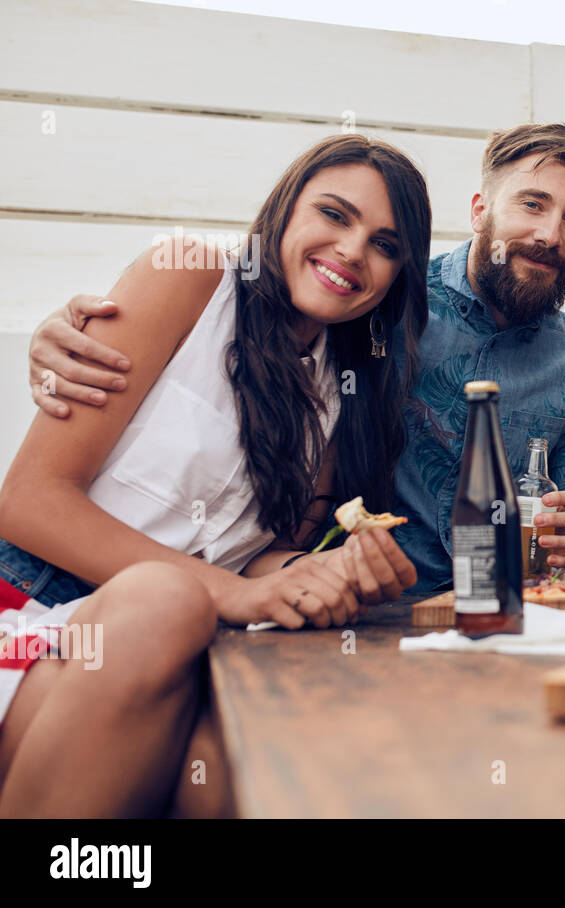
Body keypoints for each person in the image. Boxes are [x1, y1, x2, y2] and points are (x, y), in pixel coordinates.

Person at [0, 133, 430, 815]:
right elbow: (27, 501)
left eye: (385, 245)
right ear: (285, 211)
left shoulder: (345, 392)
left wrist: (322, 575)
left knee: (234, 753)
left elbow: (262, 557)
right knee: (164, 603)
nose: (352, 251)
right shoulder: (190, 276)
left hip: (176, 650)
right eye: (335, 216)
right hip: (34, 608)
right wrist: (230, 596)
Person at [26, 123, 565, 593]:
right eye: (532, 204)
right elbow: (37, 496)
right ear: (479, 210)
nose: (550, 234)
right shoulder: (374, 311)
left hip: (481, 608)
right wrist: (63, 328)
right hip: (321, 608)